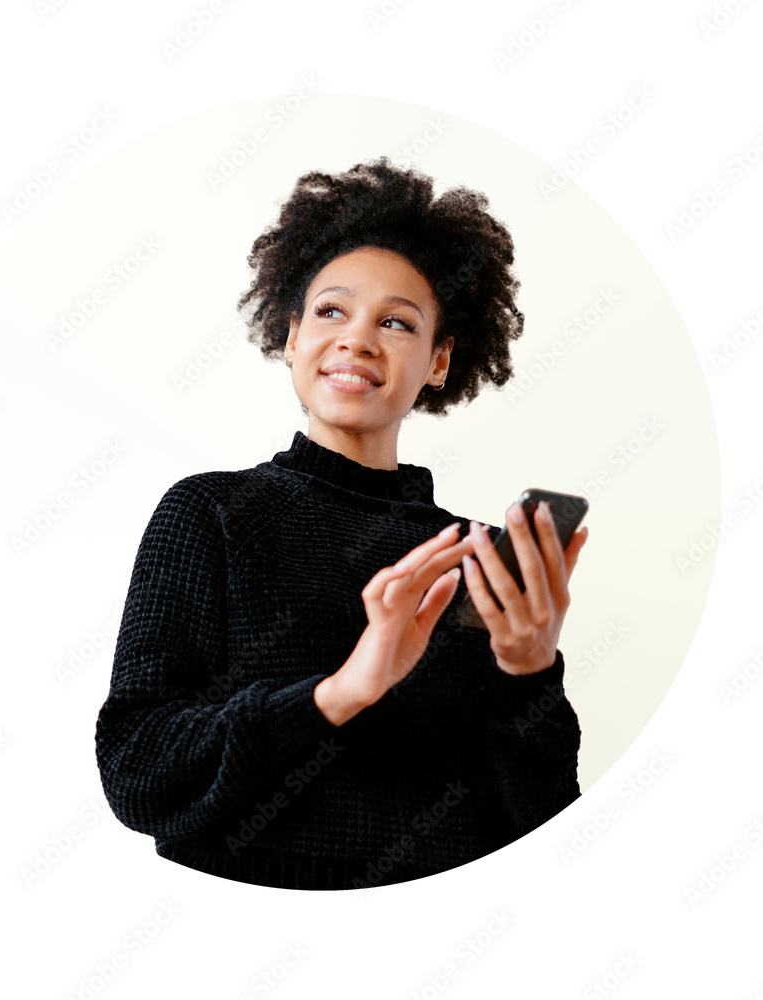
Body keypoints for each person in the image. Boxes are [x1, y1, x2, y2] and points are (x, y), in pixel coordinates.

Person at [94, 156, 589, 891]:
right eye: (331, 311)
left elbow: (544, 825)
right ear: (292, 337)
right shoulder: (210, 513)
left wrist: (528, 674)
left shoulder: (477, 563)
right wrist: (343, 690)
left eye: (396, 322)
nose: (358, 339)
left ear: (439, 362)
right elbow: (137, 769)